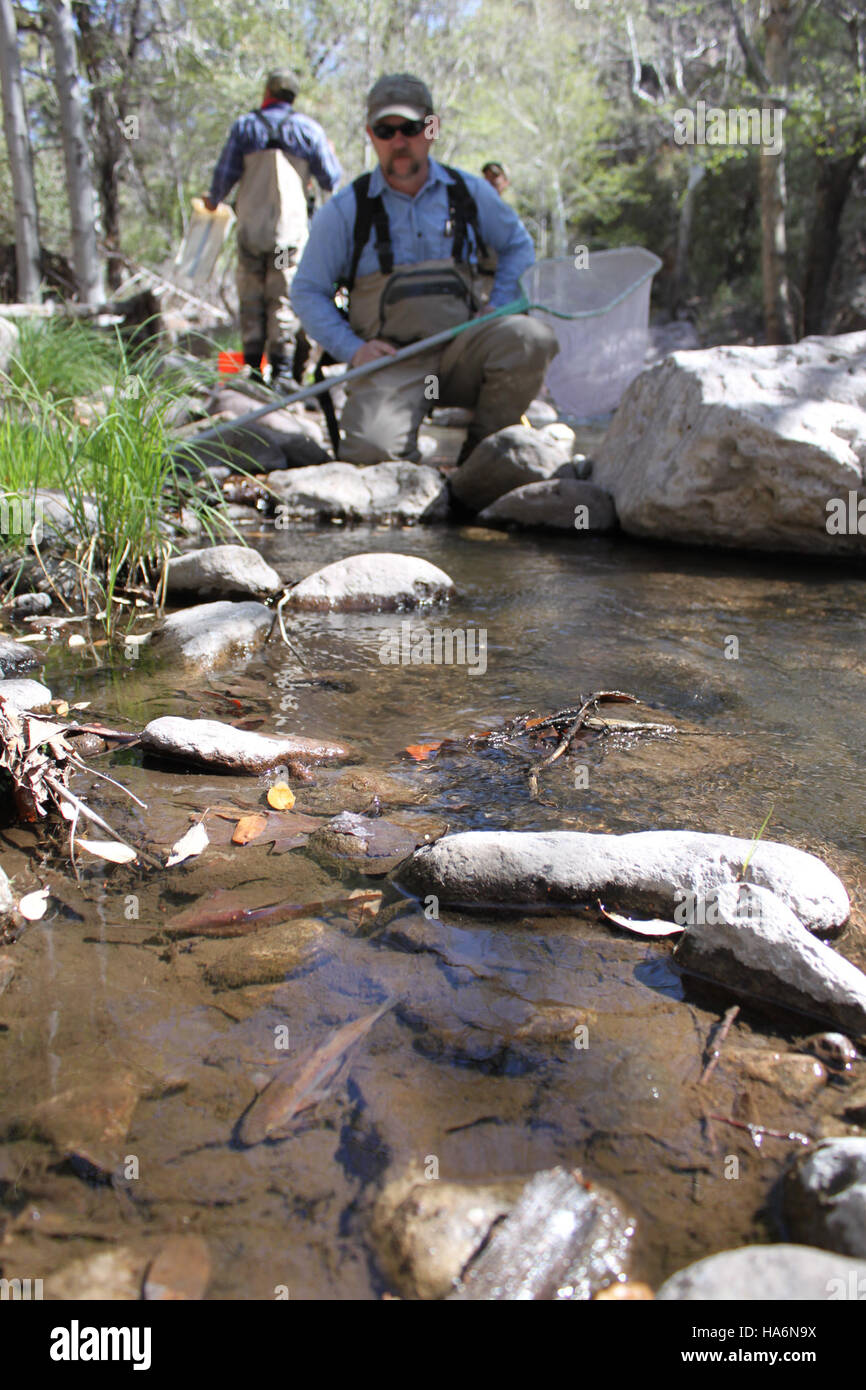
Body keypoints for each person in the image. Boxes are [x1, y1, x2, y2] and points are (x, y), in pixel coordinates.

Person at [290, 73, 558, 464]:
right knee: (372, 453)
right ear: (370, 134)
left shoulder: (470, 193)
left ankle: (480, 463)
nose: (399, 141)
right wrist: (353, 349)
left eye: (411, 129)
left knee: (531, 337)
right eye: (386, 130)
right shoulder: (347, 210)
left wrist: (499, 305)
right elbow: (307, 290)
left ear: (431, 129)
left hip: (465, 353)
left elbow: (518, 246)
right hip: (391, 364)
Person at [204, 70, 342, 389]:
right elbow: (331, 180)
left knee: (251, 295)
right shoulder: (307, 130)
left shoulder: (245, 128)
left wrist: (212, 201)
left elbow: (223, 179)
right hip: (286, 237)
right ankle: (280, 373)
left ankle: (254, 372)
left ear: (266, 91)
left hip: (251, 234)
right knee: (281, 296)